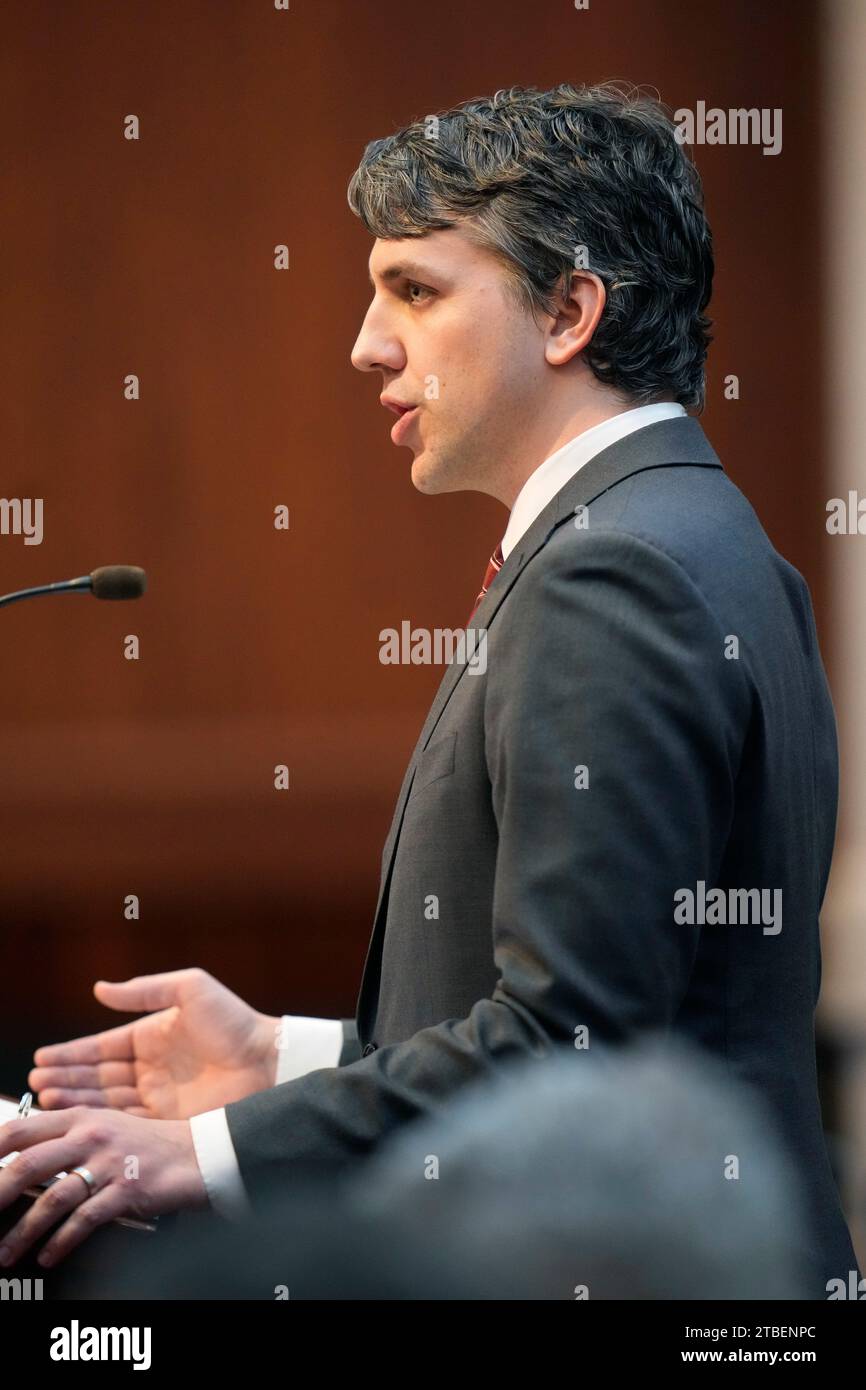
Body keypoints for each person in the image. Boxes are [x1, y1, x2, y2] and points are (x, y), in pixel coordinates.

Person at [0, 81, 859, 1296]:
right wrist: (282, 1054)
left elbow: (572, 1048)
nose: (365, 343)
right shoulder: (707, 536)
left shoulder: (610, 571)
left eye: (414, 288)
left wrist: (200, 1154)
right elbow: (587, 1012)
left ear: (568, 311)